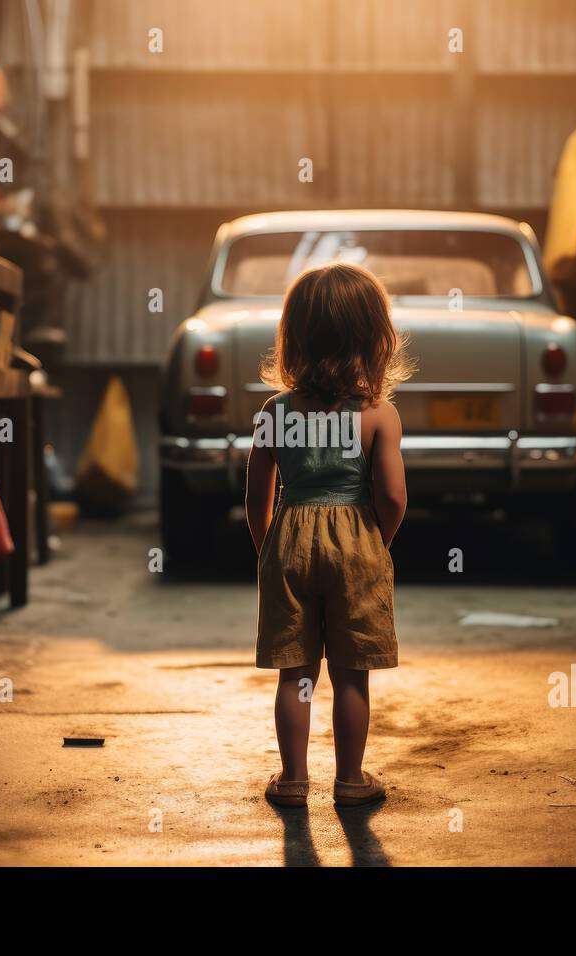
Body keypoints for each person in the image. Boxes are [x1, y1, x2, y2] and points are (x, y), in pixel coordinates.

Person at [245, 261, 410, 810]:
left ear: (293, 338)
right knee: (351, 674)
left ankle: (293, 780)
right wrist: (375, 545)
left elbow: (258, 494)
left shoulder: (274, 412)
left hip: (290, 537)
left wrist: (269, 546)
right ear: (374, 339)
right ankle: (351, 780)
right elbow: (393, 498)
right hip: (357, 542)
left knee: (295, 671)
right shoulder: (378, 414)